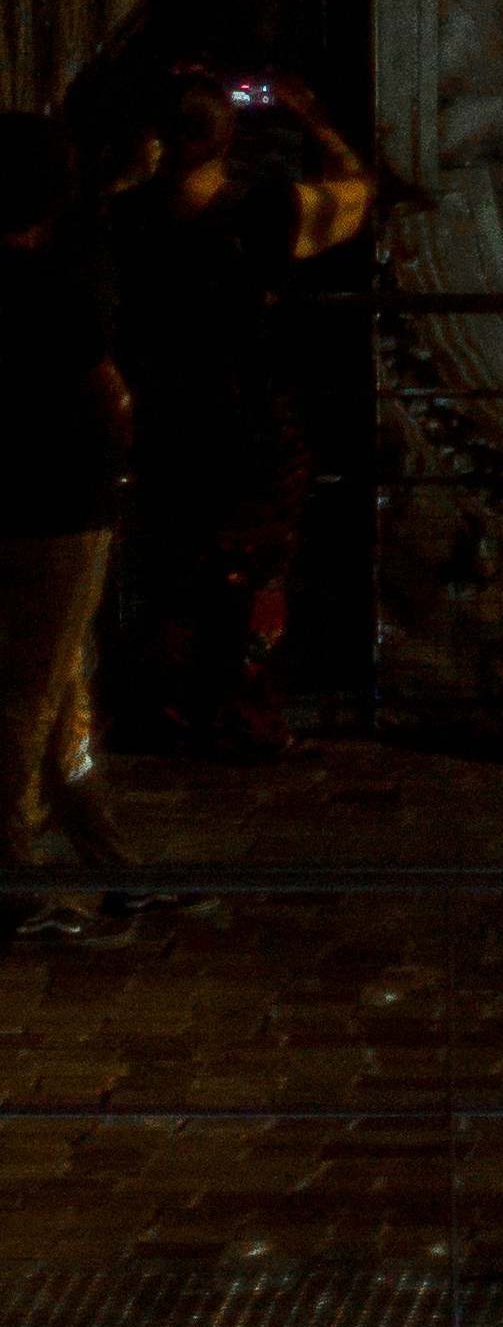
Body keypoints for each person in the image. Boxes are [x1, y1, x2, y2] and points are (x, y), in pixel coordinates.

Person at [107, 63, 369, 749]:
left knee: (171, 564)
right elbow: (355, 197)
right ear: (229, 138)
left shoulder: (123, 218)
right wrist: (319, 127)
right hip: (248, 415)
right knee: (254, 571)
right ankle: (241, 711)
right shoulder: (264, 209)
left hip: (160, 416)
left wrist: (135, 165)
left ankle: (168, 704)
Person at [0, 115, 132, 898]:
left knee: (59, 690)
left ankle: (107, 858)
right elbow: (109, 399)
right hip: (61, 507)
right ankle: (13, 871)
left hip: (10, 499)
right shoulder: (59, 290)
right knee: (33, 693)